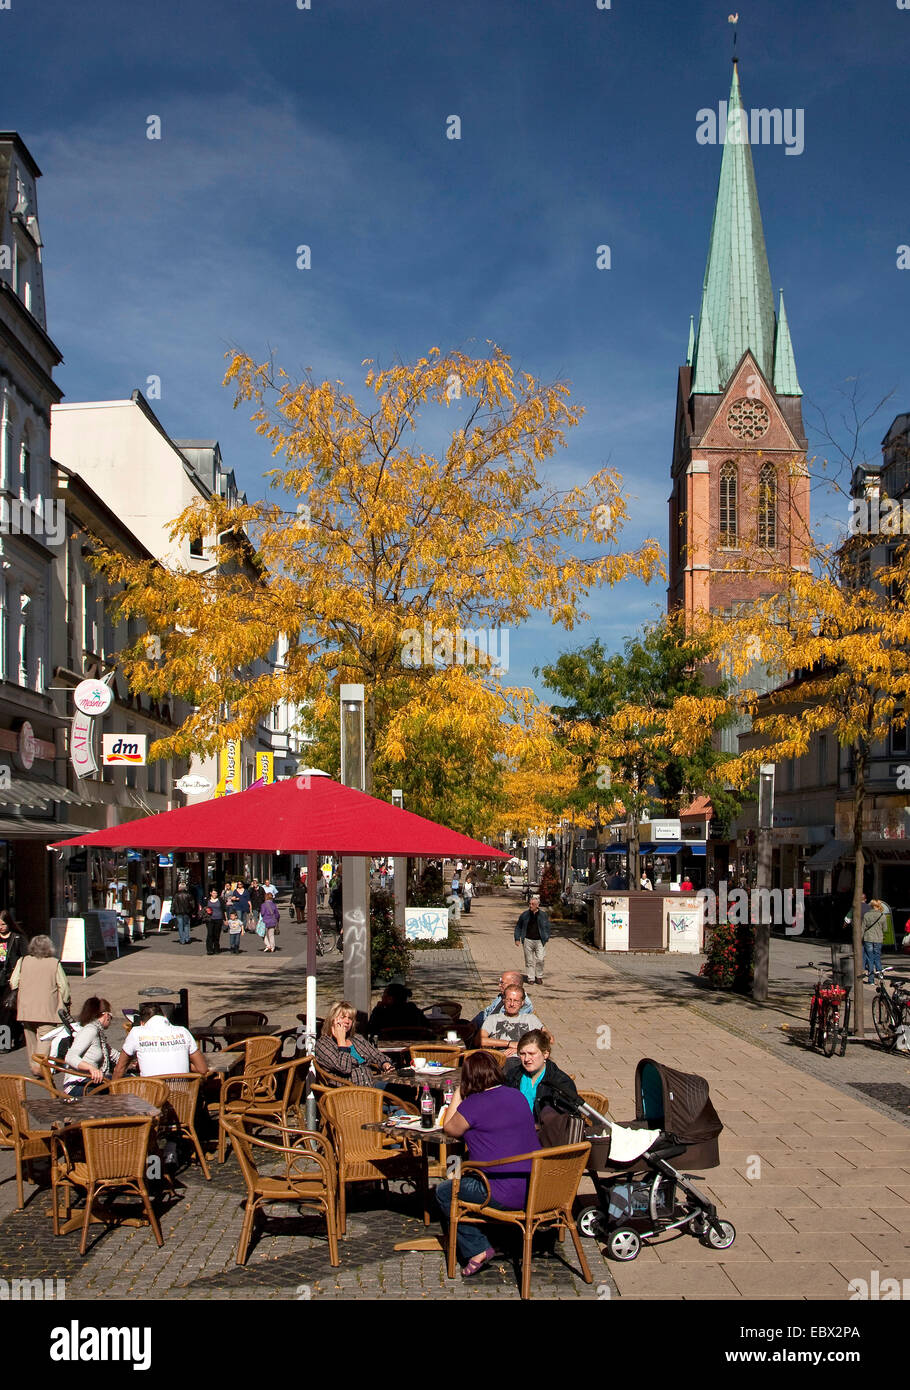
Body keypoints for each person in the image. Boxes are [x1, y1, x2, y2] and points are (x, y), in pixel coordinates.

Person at [436, 1049, 540, 1277]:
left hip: (500, 1191)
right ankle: (491, 1237)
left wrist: (457, 1093)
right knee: (463, 1170)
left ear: (469, 1079)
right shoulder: (517, 1096)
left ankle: (477, 1248)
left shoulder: (473, 1104)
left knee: (445, 1190)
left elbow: (449, 1127)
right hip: (535, 1189)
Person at [9, 935, 71, 1076]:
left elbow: (13, 982)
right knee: (45, 1038)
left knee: (30, 1039)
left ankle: (34, 1066)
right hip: (47, 1010)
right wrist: (65, 1001)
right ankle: (39, 1067)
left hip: (26, 1008)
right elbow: (64, 987)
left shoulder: (23, 961)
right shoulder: (54, 963)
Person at [112, 1003, 209, 1079]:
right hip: (182, 1099)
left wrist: (113, 1096)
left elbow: (119, 1070)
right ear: (165, 1017)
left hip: (151, 1100)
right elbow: (203, 1069)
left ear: (142, 1023)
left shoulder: (137, 1032)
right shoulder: (182, 1031)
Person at [502, 1029, 578, 1121]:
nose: (526, 1059)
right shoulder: (512, 1075)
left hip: (546, 1133)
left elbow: (566, 1119)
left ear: (545, 1054)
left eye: (531, 1054)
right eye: (522, 1054)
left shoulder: (560, 1081)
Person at [315, 1000, 394, 1087]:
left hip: (371, 1085)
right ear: (332, 1020)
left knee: (405, 1090)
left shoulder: (356, 1039)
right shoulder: (323, 1044)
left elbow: (377, 1055)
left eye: (350, 1018)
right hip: (348, 1093)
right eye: (343, 1017)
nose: (347, 1021)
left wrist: (385, 1064)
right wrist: (341, 1042)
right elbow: (344, 1068)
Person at [63, 997, 117, 1095]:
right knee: (122, 1084)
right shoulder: (90, 1030)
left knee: (124, 1078)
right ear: (106, 1015)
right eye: (111, 1016)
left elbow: (114, 1055)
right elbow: (70, 1056)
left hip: (90, 1081)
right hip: (78, 1084)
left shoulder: (99, 1035)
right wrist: (91, 1068)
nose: (111, 1019)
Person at [480, 985, 544, 1056]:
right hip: (501, 1059)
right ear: (503, 1000)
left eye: (516, 1001)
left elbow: (548, 1039)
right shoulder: (492, 1019)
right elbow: (480, 1040)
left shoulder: (531, 1019)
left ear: (522, 1003)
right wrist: (509, 1044)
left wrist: (520, 1048)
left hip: (526, 1059)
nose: (512, 1004)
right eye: (509, 1000)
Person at [514, 895, 551, 986]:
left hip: (539, 940)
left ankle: (539, 976)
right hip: (527, 940)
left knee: (540, 959)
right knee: (529, 960)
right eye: (530, 904)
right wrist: (517, 938)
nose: (531, 906)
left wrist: (546, 937)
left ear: (537, 905)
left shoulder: (543, 915)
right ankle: (531, 978)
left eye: (533, 904)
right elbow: (518, 926)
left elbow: (547, 927)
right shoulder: (525, 915)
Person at [861, 898, 887, 983]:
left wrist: (861, 938)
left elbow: (862, 928)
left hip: (868, 938)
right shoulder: (882, 916)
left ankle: (871, 980)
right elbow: (885, 929)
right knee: (877, 957)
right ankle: (881, 977)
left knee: (870, 958)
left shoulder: (866, 915)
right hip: (878, 939)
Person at [171, 880, 194, 946]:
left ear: (180, 888)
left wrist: (172, 911)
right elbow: (192, 904)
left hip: (178, 912)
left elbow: (173, 904)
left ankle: (182, 939)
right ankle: (187, 938)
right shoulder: (188, 894)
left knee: (180, 925)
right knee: (186, 925)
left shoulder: (176, 895)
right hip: (187, 912)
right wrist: (192, 911)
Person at [203, 887, 224, 955]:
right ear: (210, 893)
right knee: (210, 934)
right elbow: (204, 908)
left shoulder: (220, 900)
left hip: (219, 918)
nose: (215, 894)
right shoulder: (207, 900)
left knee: (217, 935)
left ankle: (216, 948)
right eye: (213, 893)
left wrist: (225, 919)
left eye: (216, 893)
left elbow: (224, 909)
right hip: (210, 919)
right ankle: (209, 949)